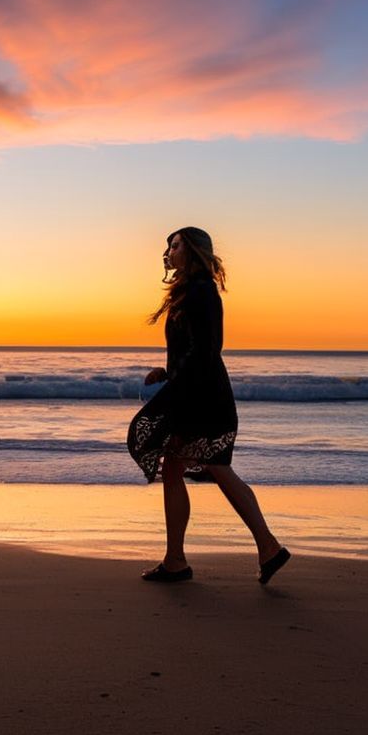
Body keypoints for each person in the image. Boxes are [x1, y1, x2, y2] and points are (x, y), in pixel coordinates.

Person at [127, 226, 290, 585]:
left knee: (213, 468)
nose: (169, 250)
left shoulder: (201, 293)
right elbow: (193, 350)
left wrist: (176, 384)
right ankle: (264, 549)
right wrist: (166, 372)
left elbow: (206, 350)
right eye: (168, 245)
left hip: (202, 397)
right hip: (200, 392)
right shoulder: (190, 293)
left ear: (194, 251)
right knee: (205, 468)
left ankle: (186, 560)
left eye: (176, 244)